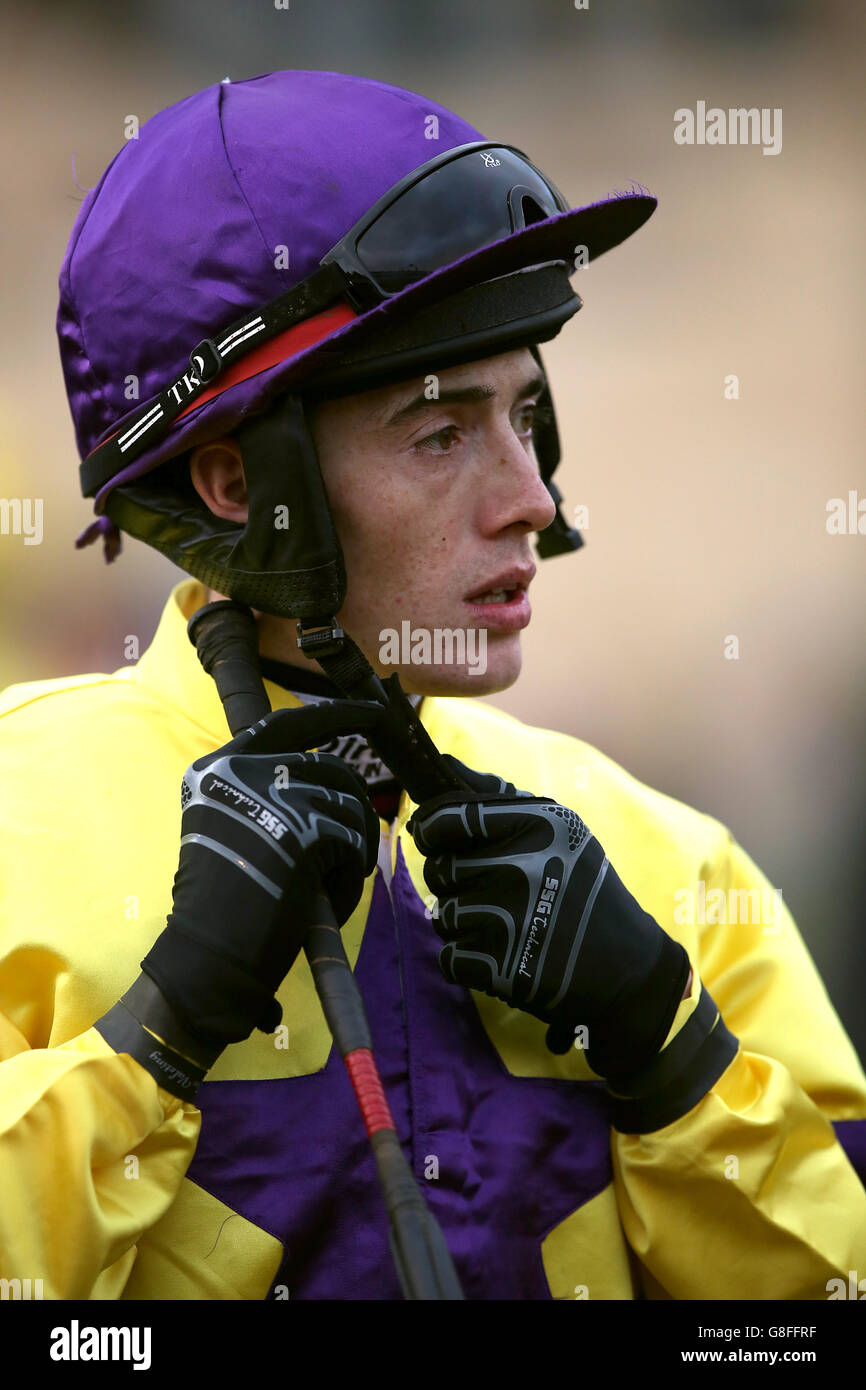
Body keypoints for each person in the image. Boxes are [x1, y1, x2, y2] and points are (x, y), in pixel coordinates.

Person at [1, 68, 865, 1303]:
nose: (533, 501)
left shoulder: (675, 866)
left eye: (526, 419)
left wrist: (668, 1056)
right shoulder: (10, 829)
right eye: (440, 431)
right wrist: (157, 1032)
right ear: (236, 484)